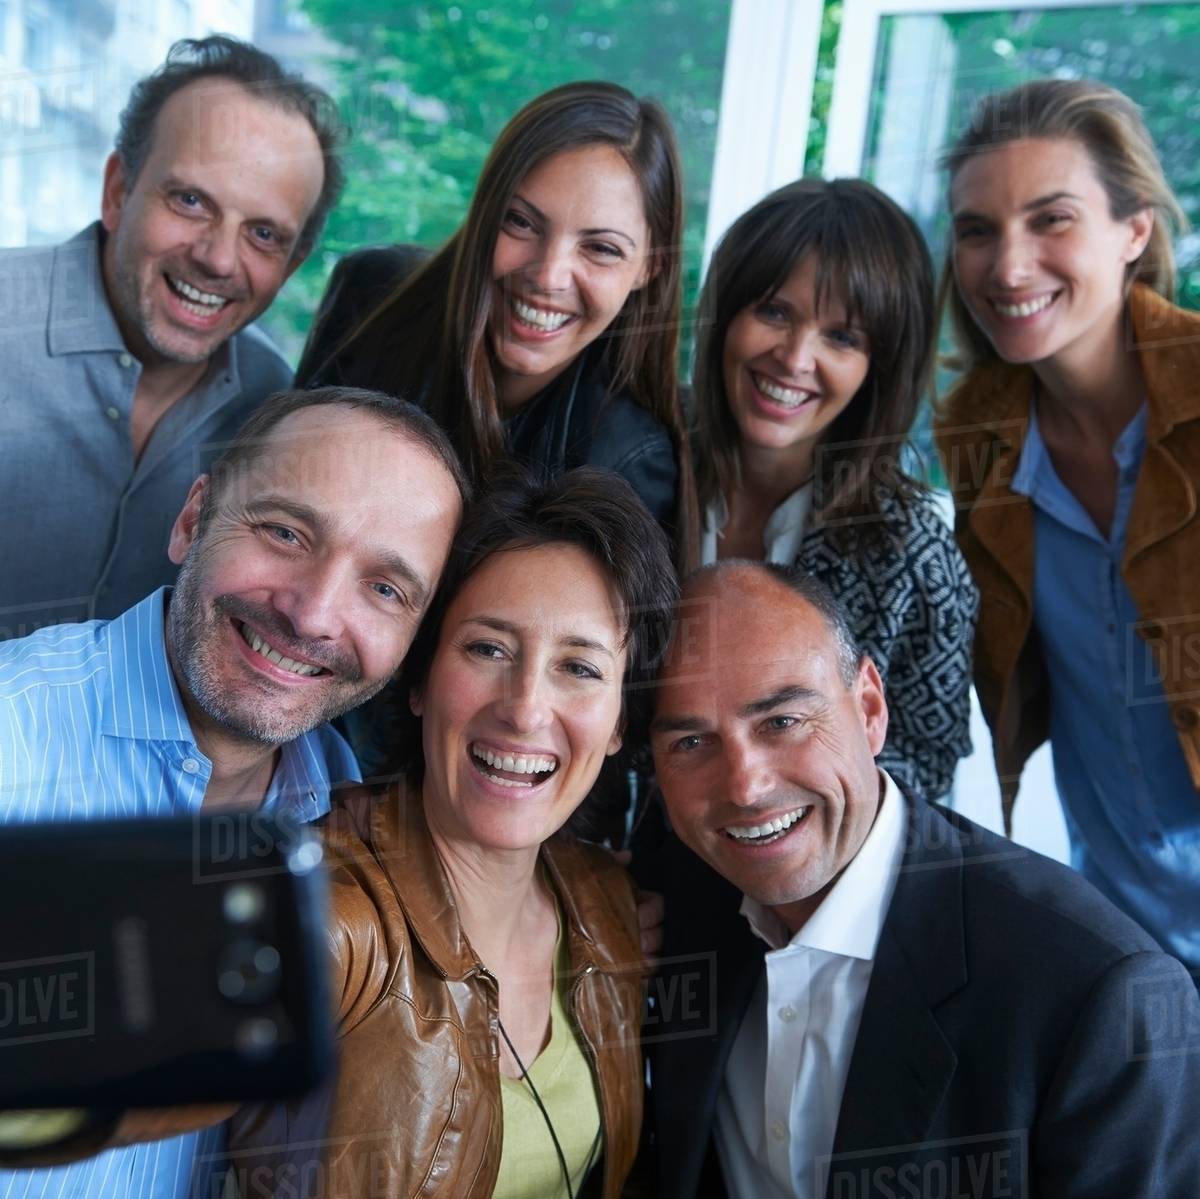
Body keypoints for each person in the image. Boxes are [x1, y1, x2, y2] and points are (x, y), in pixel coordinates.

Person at [68, 469, 677, 1199]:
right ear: (417, 681)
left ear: (618, 724)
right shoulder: (327, 915)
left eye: (579, 667)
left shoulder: (604, 901)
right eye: (487, 648)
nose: (524, 708)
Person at [0, 387, 466, 1199]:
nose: (314, 613)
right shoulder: (13, 735)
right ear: (193, 521)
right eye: (286, 532)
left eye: (385, 588)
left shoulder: (356, 824)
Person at [642, 561, 1200, 1199]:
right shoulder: (674, 895)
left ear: (871, 708)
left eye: (781, 722)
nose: (745, 786)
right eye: (691, 742)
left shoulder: (1102, 994)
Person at [933, 79, 1200, 970]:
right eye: (978, 230)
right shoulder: (973, 432)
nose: (1008, 267)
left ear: (1135, 231)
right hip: (1129, 937)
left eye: (1051, 219)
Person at [0, 36, 343, 639]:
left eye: (263, 234)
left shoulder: (272, 410)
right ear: (117, 192)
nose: (217, 258)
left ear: (291, 266)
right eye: (190, 201)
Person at [295, 80, 697, 567]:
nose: (548, 275)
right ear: (485, 213)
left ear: (648, 268)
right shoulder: (370, 297)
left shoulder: (628, 458)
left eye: (601, 249)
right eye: (521, 222)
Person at [690, 179, 977, 803]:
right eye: (774, 311)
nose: (795, 358)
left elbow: (922, 781)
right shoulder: (637, 466)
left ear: (881, 365)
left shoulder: (917, 556)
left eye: (842, 337)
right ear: (725, 315)